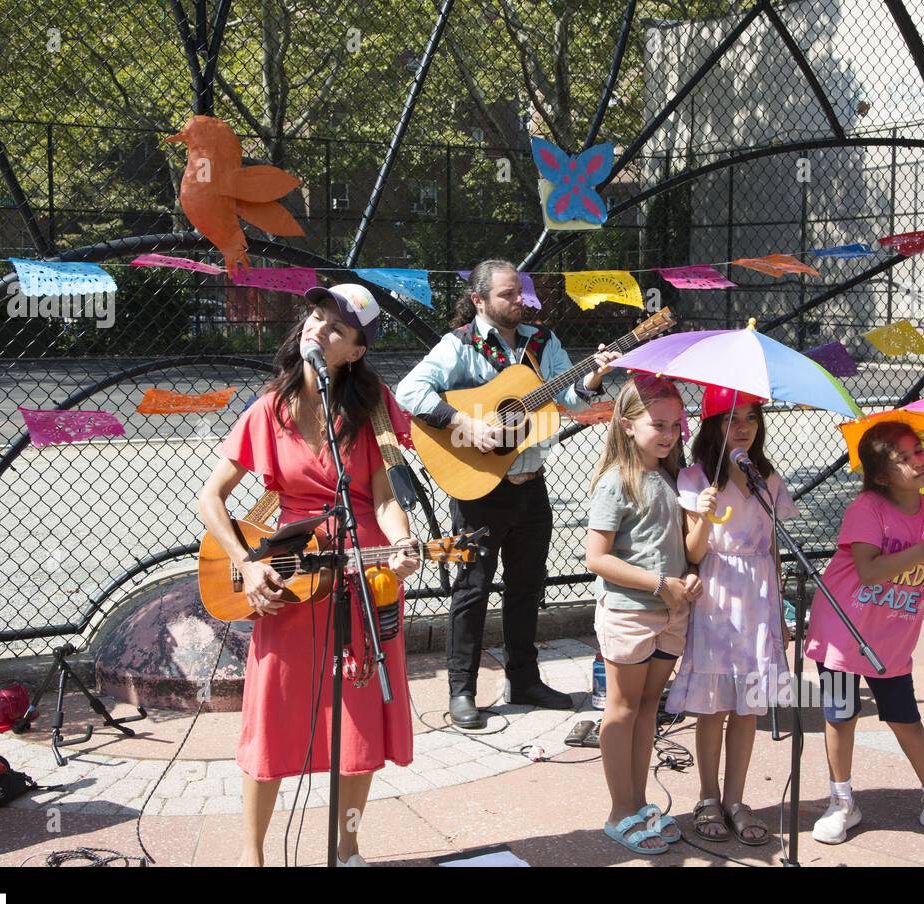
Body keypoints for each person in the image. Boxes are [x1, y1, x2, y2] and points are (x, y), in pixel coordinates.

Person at [197, 283, 420, 867]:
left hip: (364, 579)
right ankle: (253, 856)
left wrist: (403, 544)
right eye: (316, 316)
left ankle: (347, 848)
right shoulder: (267, 408)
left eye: (335, 327)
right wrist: (246, 565)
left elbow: (384, 499)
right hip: (290, 577)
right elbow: (211, 499)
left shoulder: (375, 408)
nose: (317, 329)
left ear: (355, 350)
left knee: (359, 719)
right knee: (274, 716)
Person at [395, 259, 618, 728]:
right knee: (472, 591)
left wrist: (594, 375)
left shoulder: (542, 342)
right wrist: (462, 421)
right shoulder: (460, 345)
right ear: (479, 301)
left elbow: (573, 400)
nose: (519, 301)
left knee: (526, 587)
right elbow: (409, 391)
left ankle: (525, 678)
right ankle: (462, 691)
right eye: (507, 295)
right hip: (477, 490)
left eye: (520, 293)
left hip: (530, 486)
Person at [805, 420, 924, 847]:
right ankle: (842, 802)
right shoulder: (867, 508)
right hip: (842, 633)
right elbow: (868, 570)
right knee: (841, 716)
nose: (916, 462)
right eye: (902, 459)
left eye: (918, 452)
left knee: (906, 720)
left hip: (890, 643)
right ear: (882, 475)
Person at [670, 387, 797, 845]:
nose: (743, 427)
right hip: (718, 595)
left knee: (749, 706)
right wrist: (702, 515)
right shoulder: (695, 476)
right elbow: (693, 551)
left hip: (759, 595)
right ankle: (707, 796)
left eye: (750, 417)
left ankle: (737, 798)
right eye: (730, 419)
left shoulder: (767, 478)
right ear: (712, 426)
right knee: (715, 704)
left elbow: (774, 548)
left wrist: (781, 610)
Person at [585, 375, 702, 855]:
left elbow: (678, 549)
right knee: (623, 709)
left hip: (671, 613)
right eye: (658, 423)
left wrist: (689, 575)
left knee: (649, 710)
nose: (670, 433)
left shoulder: (673, 478)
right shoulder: (617, 481)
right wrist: (659, 584)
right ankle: (620, 810)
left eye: (676, 424)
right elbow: (597, 557)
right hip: (631, 613)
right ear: (628, 424)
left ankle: (638, 803)